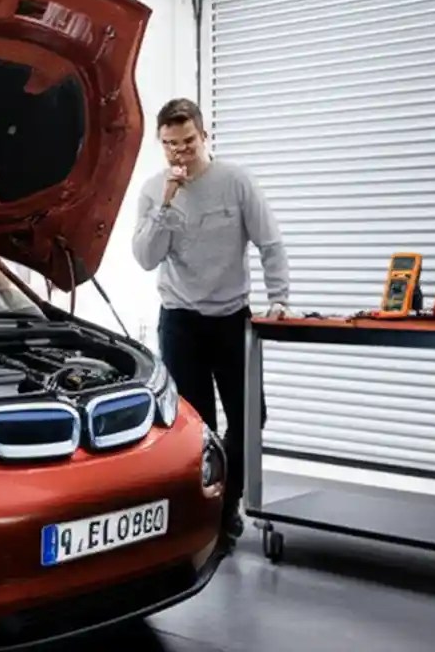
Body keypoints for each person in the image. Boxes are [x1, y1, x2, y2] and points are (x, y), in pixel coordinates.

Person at [132, 98, 291, 543]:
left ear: (204, 136)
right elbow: (146, 258)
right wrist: (166, 200)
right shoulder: (152, 190)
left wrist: (279, 299)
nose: (179, 154)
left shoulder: (234, 181)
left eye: (187, 143)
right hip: (180, 319)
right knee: (193, 427)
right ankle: (202, 513)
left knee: (248, 418)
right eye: (169, 146)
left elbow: (270, 243)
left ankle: (229, 502)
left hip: (230, 317)